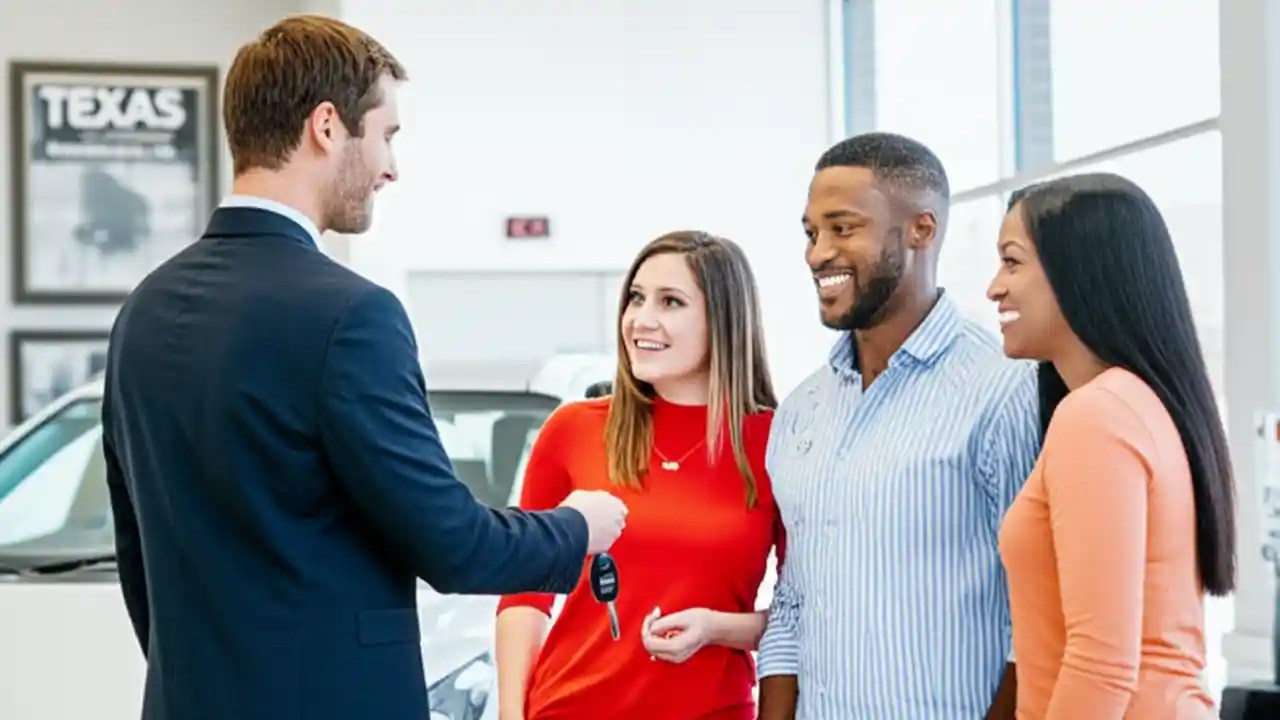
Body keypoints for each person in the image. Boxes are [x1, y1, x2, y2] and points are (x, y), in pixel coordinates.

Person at [101, 15, 627, 720]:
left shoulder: (143, 311)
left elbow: (138, 558)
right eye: (386, 135)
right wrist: (577, 527)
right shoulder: (351, 316)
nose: (392, 167)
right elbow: (454, 545)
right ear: (326, 125)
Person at [755, 132, 1041, 719]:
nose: (817, 254)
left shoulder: (1003, 390)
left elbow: (1036, 614)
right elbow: (792, 603)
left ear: (922, 230)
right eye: (811, 233)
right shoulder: (803, 409)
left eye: (843, 228)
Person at [493, 231, 784, 720]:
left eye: (671, 302)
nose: (641, 320)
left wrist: (717, 628)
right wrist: (510, 716)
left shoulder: (780, 444)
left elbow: (807, 622)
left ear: (725, 322)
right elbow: (524, 594)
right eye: (636, 298)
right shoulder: (574, 430)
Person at [987, 172, 1236, 719]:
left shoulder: (1096, 416)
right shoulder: (1133, 404)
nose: (994, 287)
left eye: (1012, 262)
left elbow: (1100, 667)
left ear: (1078, 272)